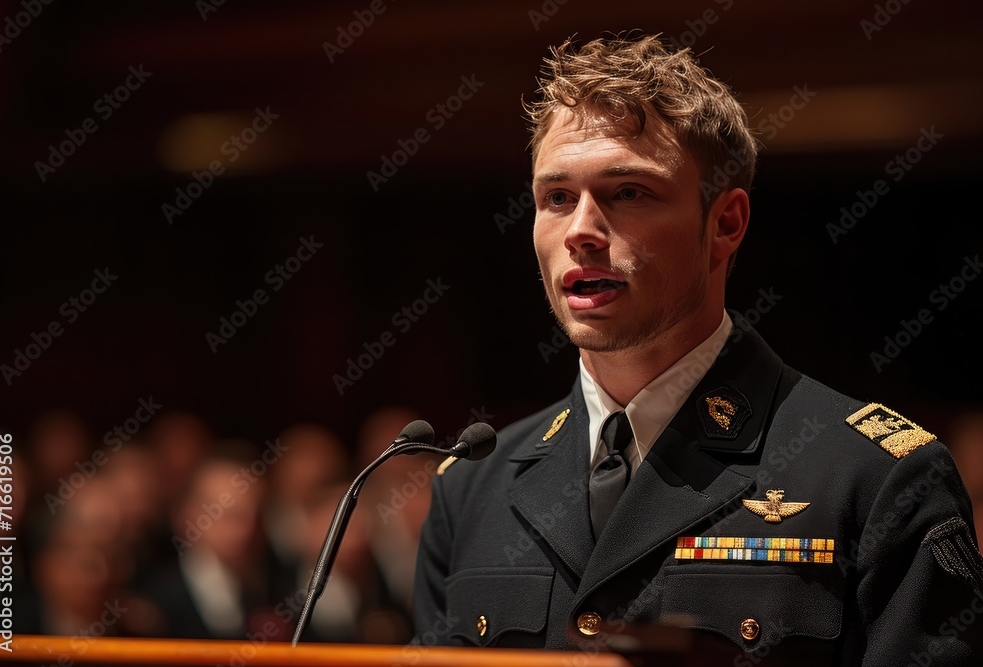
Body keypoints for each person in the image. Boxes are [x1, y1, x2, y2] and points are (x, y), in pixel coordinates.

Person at [412, 33, 983, 664]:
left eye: (628, 192)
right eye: (557, 198)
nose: (580, 231)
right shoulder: (470, 487)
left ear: (726, 224)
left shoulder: (874, 477)